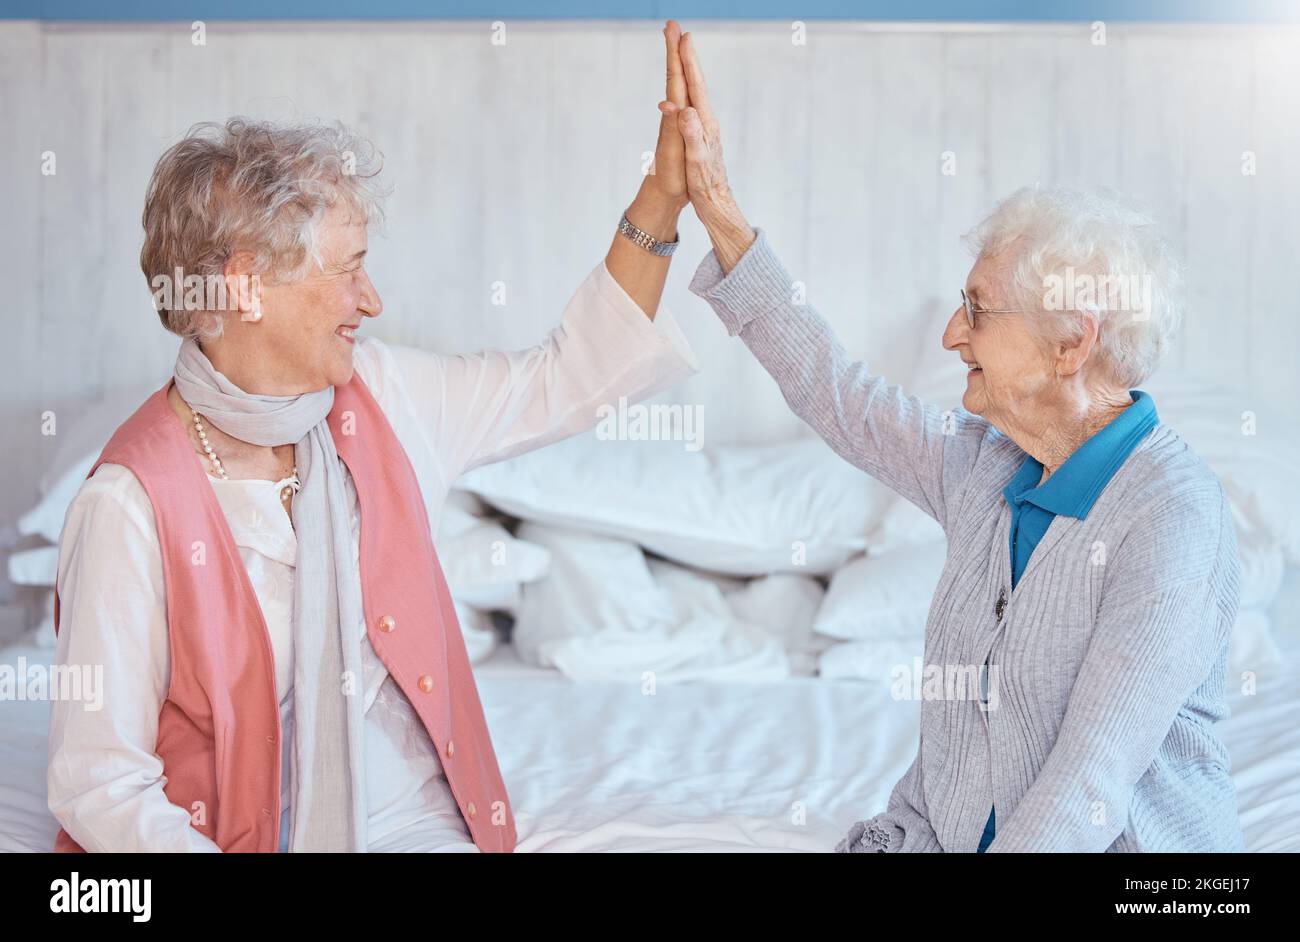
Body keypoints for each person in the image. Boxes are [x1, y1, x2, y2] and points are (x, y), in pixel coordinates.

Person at [47, 23, 700, 854]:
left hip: (418, 825)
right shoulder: (127, 507)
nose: (373, 298)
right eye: (347, 268)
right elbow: (98, 780)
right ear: (247, 285)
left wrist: (662, 202)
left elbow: (564, 379)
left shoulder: (383, 394)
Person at [664, 28, 1244, 852]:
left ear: (1071, 341)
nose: (950, 334)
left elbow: (1087, 787)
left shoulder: (1172, 520)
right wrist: (716, 207)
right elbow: (837, 392)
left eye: (977, 309)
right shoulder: (985, 462)